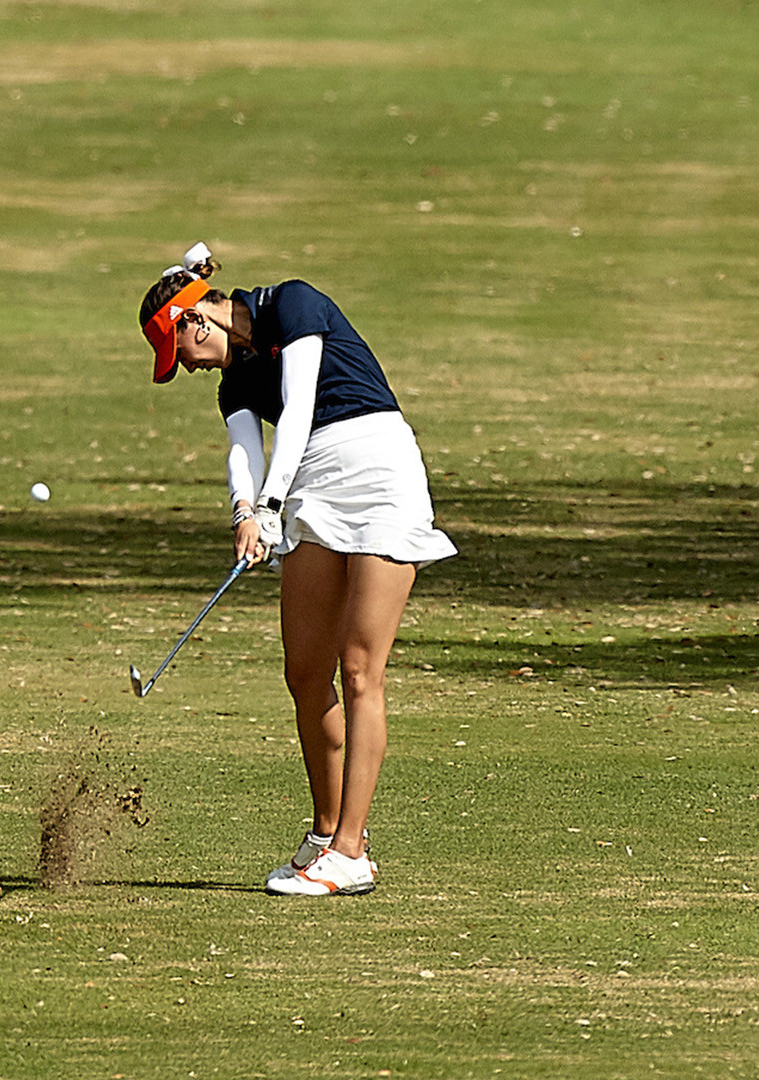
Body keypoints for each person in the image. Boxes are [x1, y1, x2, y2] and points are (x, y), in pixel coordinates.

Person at [137, 243, 455, 896]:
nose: (186, 366)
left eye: (179, 350)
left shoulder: (293, 303)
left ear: (195, 318)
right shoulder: (234, 380)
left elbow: (302, 405)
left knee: (360, 667)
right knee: (305, 670)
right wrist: (245, 513)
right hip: (311, 484)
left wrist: (272, 505)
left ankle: (351, 853)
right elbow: (244, 451)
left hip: (377, 469)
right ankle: (325, 832)